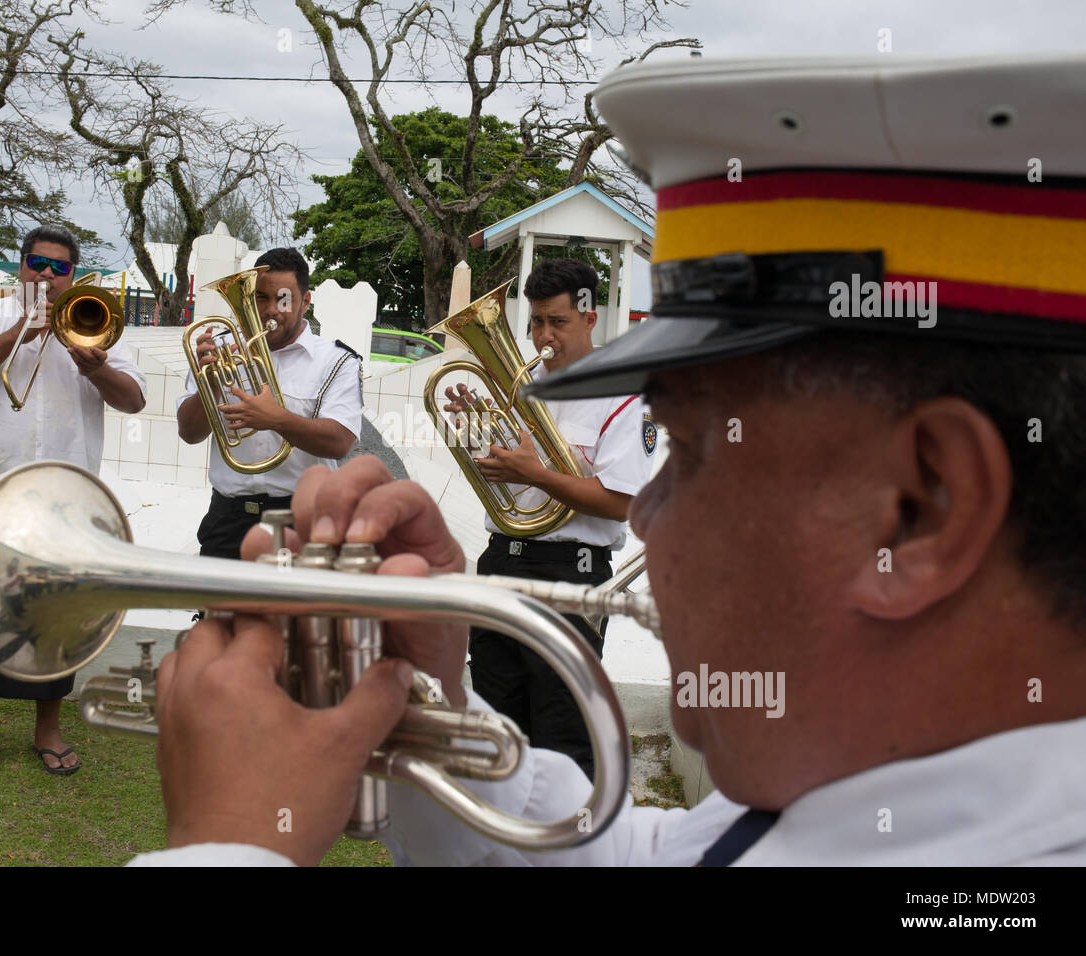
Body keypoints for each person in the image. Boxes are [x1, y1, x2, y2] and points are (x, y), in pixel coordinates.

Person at [127, 53, 1086, 868]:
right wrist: (423, 700)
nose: (648, 516)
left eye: (693, 455)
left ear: (919, 509)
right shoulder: (850, 803)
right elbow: (624, 851)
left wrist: (229, 840)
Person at [0, 224, 147, 780]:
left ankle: (48, 729)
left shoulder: (99, 318)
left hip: (67, 497)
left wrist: (97, 367)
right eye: (38, 264)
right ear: (20, 265)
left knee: (60, 617)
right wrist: (19, 335)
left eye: (60, 268)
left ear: (73, 274)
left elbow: (134, 401)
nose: (47, 276)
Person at [442, 258, 650, 779]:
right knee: (497, 725)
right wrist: (473, 434)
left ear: (589, 318)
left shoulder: (624, 396)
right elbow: (504, 480)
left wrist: (535, 473)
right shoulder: (514, 383)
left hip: (572, 575)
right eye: (536, 321)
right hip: (501, 563)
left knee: (562, 730)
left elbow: (622, 501)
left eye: (557, 322)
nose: (543, 335)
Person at [176, 247, 362, 561]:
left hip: (304, 521)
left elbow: (340, 442)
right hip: (228, 521)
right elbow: (189, 433)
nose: (272, 309)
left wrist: (276, 419)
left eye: (284, 298)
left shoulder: (338, 360)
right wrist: (209, 385)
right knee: (218, 612)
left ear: (305, 301)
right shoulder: (220, 350)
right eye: (261, 297)